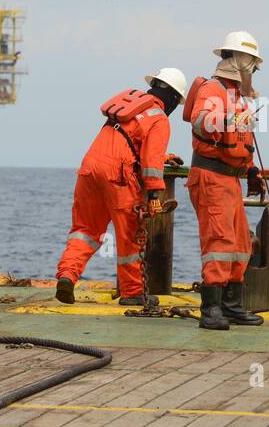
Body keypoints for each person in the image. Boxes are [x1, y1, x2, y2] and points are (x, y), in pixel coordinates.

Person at [55, 68, 187, 307]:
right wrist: (155, 193)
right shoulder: (159, 118)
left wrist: (162, 156)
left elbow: (125, 142)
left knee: (85, 230)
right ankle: (133, 292)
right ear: (174, 99)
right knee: (130, 236)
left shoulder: (129, 109)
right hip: (118, 176)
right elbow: (150, 164)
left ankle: (67, 276)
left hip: (89, 168)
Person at [186, 31, 267, 331]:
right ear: (240, 62)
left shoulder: (234, 96)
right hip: (211, 177)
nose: (255, 71)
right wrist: (231, 119)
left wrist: (250, 171)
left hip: (229, 179)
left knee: (239, 243)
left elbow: (238, 142)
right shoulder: (213, 90)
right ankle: (211, 309)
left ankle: (232, 306)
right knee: (219, 241)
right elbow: (200, 121)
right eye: (253, 65)